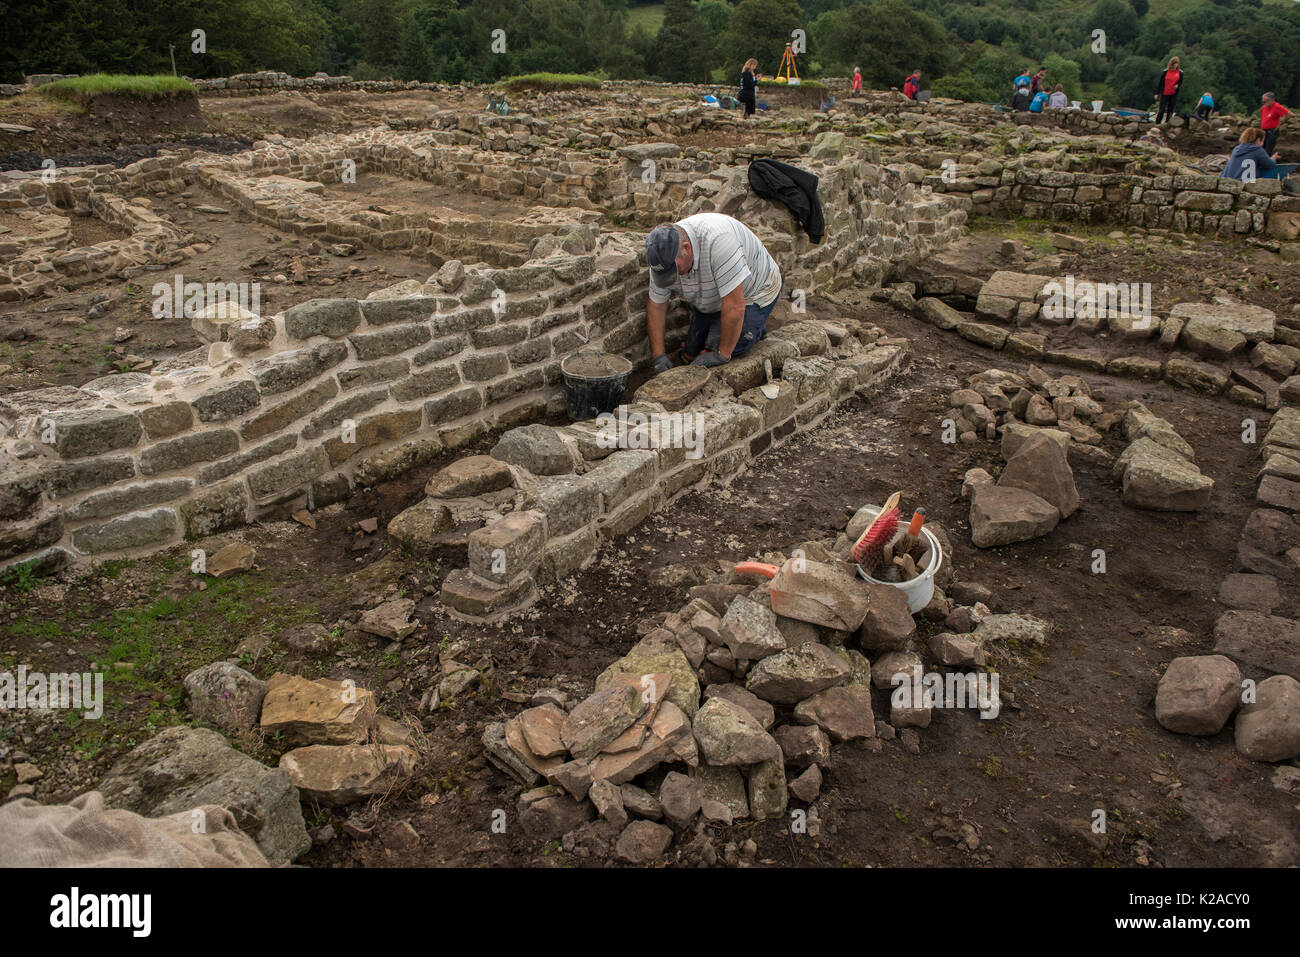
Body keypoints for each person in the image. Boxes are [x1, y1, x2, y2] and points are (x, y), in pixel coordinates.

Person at [645, 214, 782, 371]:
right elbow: (656, 307)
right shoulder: (661, 258)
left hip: (754, 291)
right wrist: (658, 356)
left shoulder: (719, 242)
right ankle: (723, 327)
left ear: (686, 248)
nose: (670, 276)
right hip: (715, 294)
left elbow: (735, 307)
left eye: (673, 269)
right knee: (691, 351)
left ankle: (756, 327)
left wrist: (721, 355)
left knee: (718, 347)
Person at [1154, 56, 1183, 125]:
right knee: (1162, 109)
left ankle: (1167, 123)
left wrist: (1177, 85)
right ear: (1171, 64)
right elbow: (1160, 83)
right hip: (1165, 92)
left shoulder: (1180, 72)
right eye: (1174, 63)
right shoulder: (1165, 71)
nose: (1176, 65)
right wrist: (1157, 93)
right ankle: (1157, 122)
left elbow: (1180, 82)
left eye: (1177, 63)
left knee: (1171, 109)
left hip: (1174, 93)